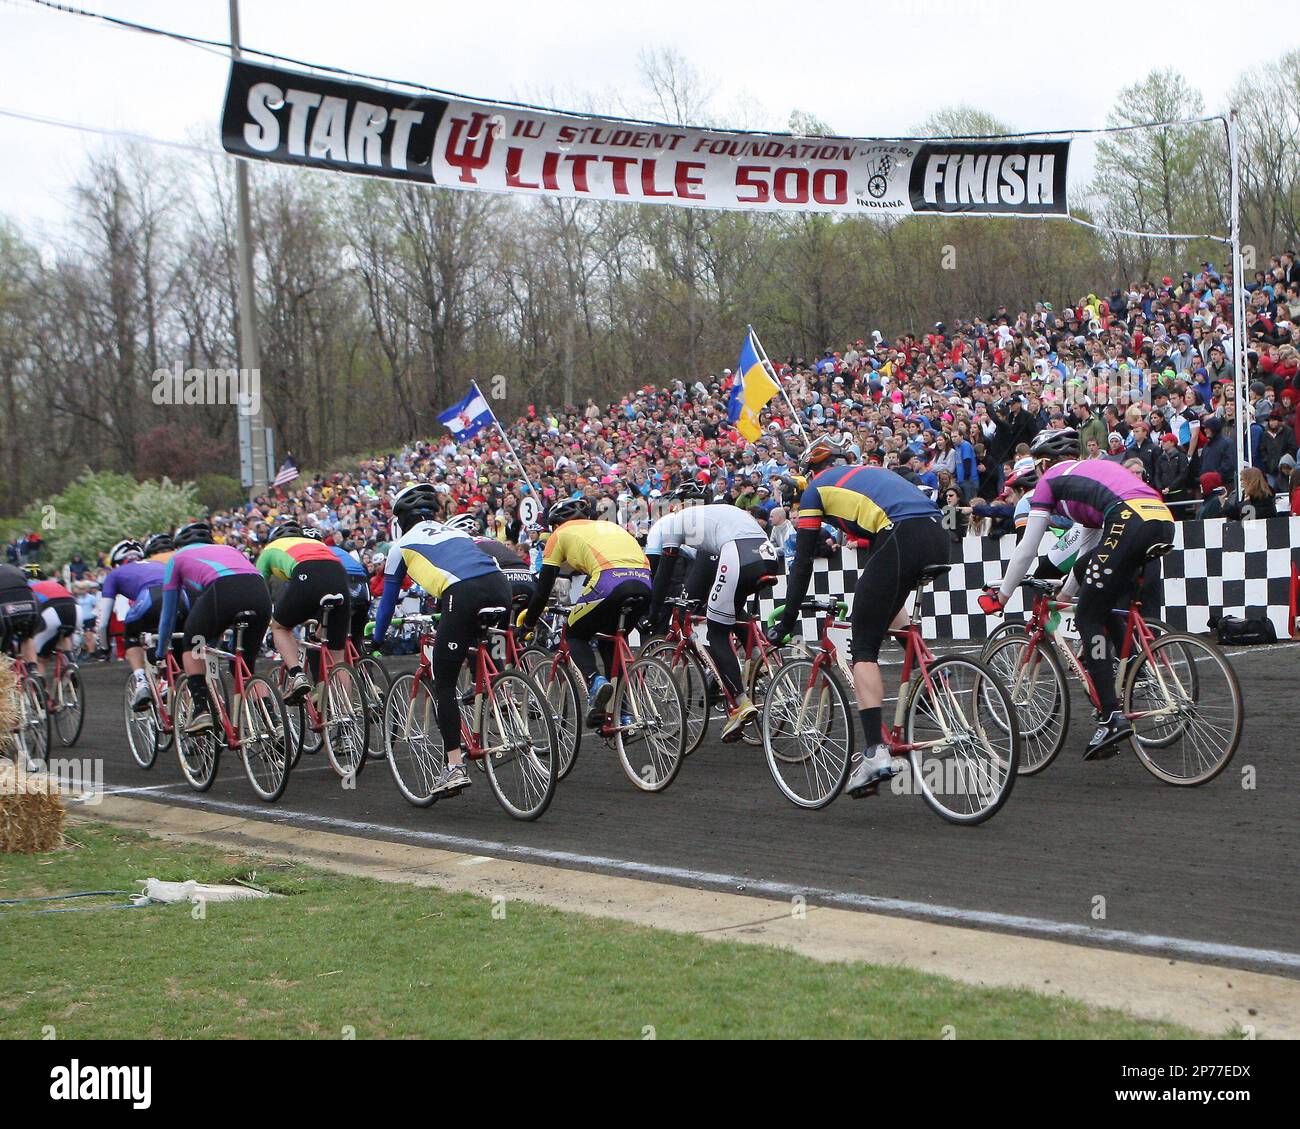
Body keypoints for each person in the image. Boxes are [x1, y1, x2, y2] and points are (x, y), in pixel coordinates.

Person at [768, 435, 948, 798]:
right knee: (890, 608)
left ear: (810, 472)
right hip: (936, 533)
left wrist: (787, 621)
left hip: (902, 536)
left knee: (863, 647)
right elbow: (875, 538)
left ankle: (875, 754)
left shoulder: (814, 491)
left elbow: (802, 561)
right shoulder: (866, 473)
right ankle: (933, 687)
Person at [979, 428, 1175, 759]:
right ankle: (1137, 669)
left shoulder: (1049, 480)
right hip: (1159, 518)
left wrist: (1003, 596)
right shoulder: (1086, 476)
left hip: (1128, 520)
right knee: (1099, 596)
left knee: (1088, 618)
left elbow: (1028, 548)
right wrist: (1067, 593)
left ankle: (1111, 717)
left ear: (1042, 463)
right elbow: (1087, 549)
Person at [371, 483, 510, 796]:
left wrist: (377, 640)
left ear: (400, 519)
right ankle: (501, 697)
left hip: (462, 593)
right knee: (479, 650)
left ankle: (454, 766)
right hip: (500, 586)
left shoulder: (401, 546)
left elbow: (388, 601)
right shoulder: (456, 532)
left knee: (444, 683)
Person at [643, 484, 776, 742]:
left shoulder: (676, 521)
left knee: (716, 630)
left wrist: (654, 610)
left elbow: (664, 573)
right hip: (766, 555)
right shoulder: (717, 512)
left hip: (736, 553)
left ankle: (739, 703)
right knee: (733, 610)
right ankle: (759, 652)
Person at [517, 497, 651, 728]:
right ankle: (621, 713)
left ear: (555, 524)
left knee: (574, 632)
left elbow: (542, 590)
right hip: (645, 582)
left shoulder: (559, 535)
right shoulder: (608, 526)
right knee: (610, 643)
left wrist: (528, 625)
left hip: (610, 581)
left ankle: (594, 681)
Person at [156, 522, 272, 735]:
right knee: (245, 669)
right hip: (259, 592)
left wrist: (160, 650)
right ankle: (274, 722)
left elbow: (168, 614)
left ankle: (201, 710)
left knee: (191, 644)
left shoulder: (177, 558)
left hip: (222, 591)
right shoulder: (230, 549)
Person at [255, 521, 351, 704]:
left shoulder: (269, 549)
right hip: (338, 574)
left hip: (307, 572)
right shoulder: (315, 543)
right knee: (338, 660)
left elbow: (256, 588)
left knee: (280, 627)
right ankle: (345, 714)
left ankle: (297, 674)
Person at [95, 539, 178, 710]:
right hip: (179, 598)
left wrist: (103, 647)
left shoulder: (114, 574)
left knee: (131, 634)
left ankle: (141, 682)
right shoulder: (157, 564)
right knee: (177, 636)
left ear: (116, 562)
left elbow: (103, 622)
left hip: (150, 598)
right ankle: (174, 679)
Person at [300, 527, 371, 655]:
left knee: (317, 641)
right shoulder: (338, 550)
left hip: (342, 583)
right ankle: (363, 668)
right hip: (363, 587)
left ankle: (320, 673)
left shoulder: (309, 554)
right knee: (356, 638)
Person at [26, 565, 79, 679]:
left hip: (52, 610)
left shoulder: (26, 587)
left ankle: (41, 693)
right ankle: (70, 660)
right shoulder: (52, 583)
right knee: (65, 634)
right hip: (75, 608)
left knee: (39, 658)